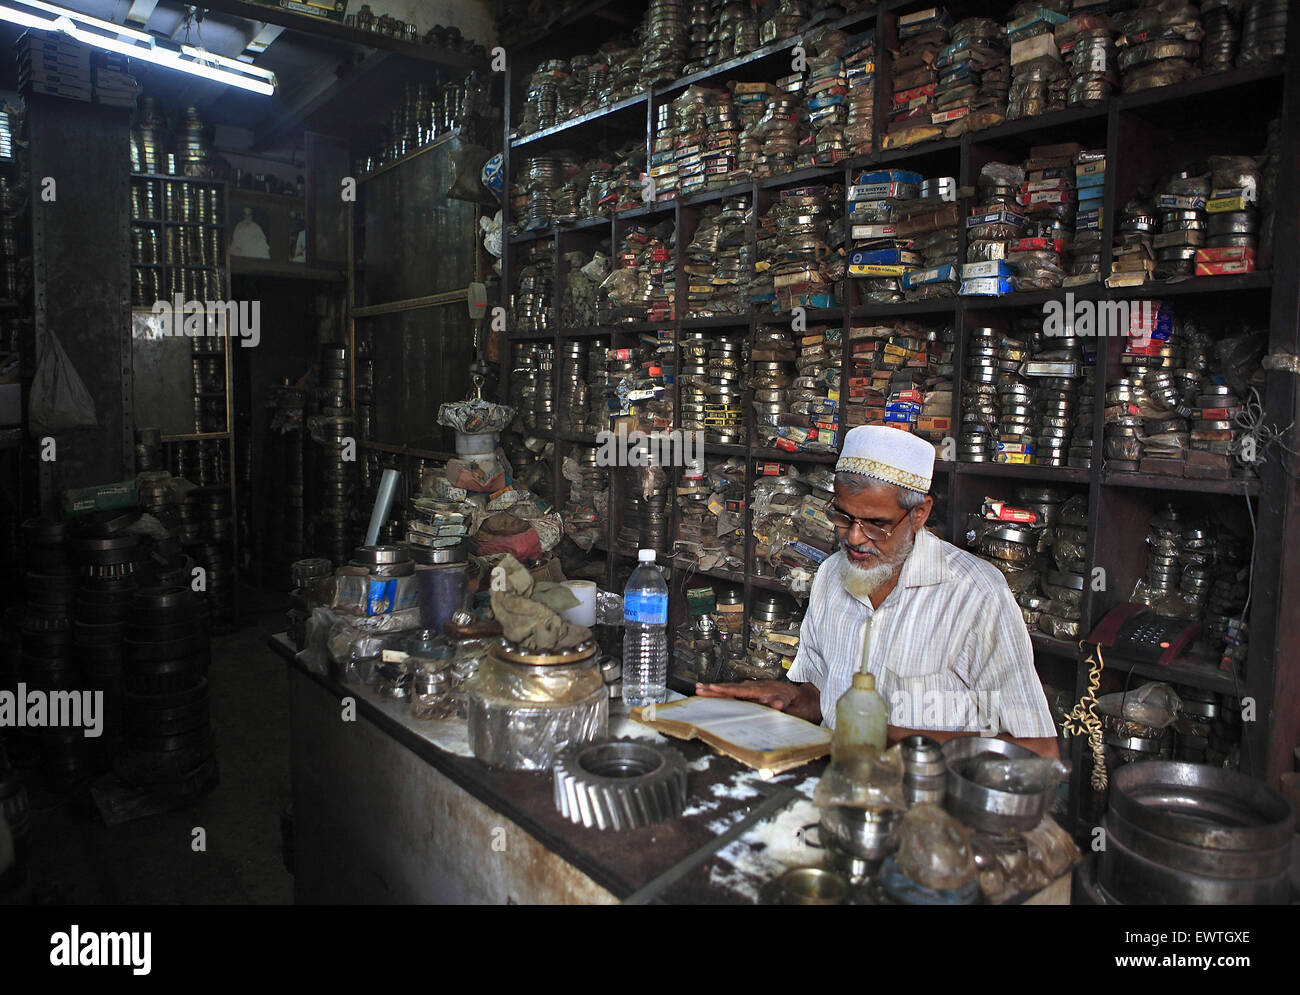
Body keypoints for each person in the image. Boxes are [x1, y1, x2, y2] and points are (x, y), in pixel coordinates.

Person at [697, 425, 1059, 758]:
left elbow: (1039, 750)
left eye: (877, 524)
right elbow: (823, 698)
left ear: (919, 514)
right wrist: (790, 697)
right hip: (837, 788)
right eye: (843, 517)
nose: (854, 538)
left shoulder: (976, 594)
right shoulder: (829, 576)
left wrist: (898, 740)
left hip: (923, 810)